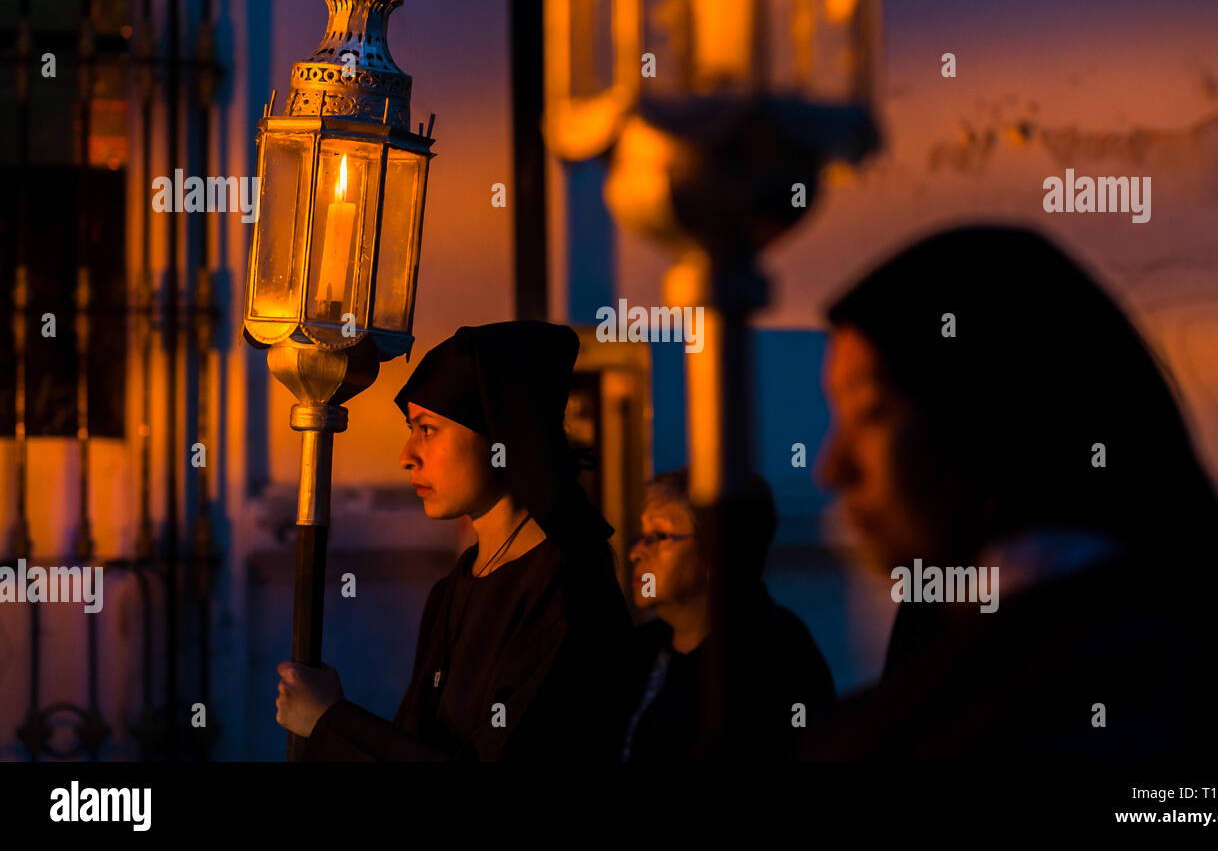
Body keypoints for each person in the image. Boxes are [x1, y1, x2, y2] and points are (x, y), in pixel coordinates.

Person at [808, 224, 1218, 760]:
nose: (832, 468)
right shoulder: (944, 616)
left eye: (871, 414)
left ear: (987, 417)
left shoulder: (1166, 681)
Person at [274, 321, 632, 760]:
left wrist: (332, 720)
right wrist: (330, 720)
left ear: (501, 436)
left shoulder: (568, 594)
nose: (407, 456)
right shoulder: (455, 585)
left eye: (428, 429)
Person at [620, 468, 835, 761]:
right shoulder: (637, 651)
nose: (636, 553)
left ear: (716, 549)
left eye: (658, 536)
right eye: (642, 536)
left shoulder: (775, 657)